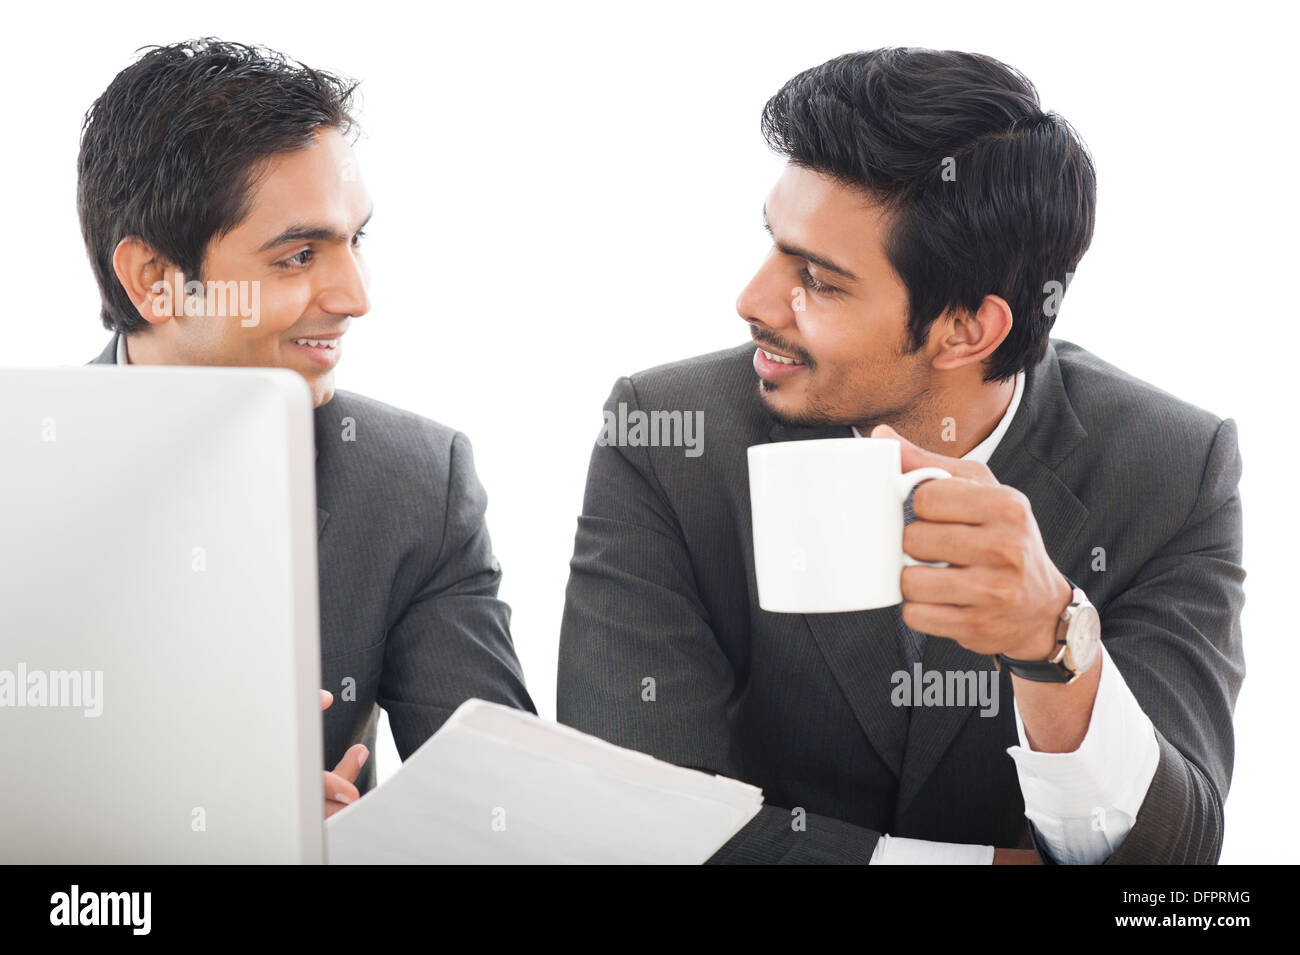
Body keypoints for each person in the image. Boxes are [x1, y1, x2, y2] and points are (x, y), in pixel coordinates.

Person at [557, 47, 1244, 864]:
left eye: (818, 277)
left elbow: (1172, 867)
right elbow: (630, 822)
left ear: (966, 330)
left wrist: (1057, 642)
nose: (753, 301)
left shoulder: (1174, 468)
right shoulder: (667, 434)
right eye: (775, 244)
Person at [80, 39, 535, 817]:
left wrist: (361, 843)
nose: (355, 296)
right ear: (156, 280)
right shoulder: (21, 476)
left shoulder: (418, 483)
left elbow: (504, 814)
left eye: (354, 240)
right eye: (298, 256)